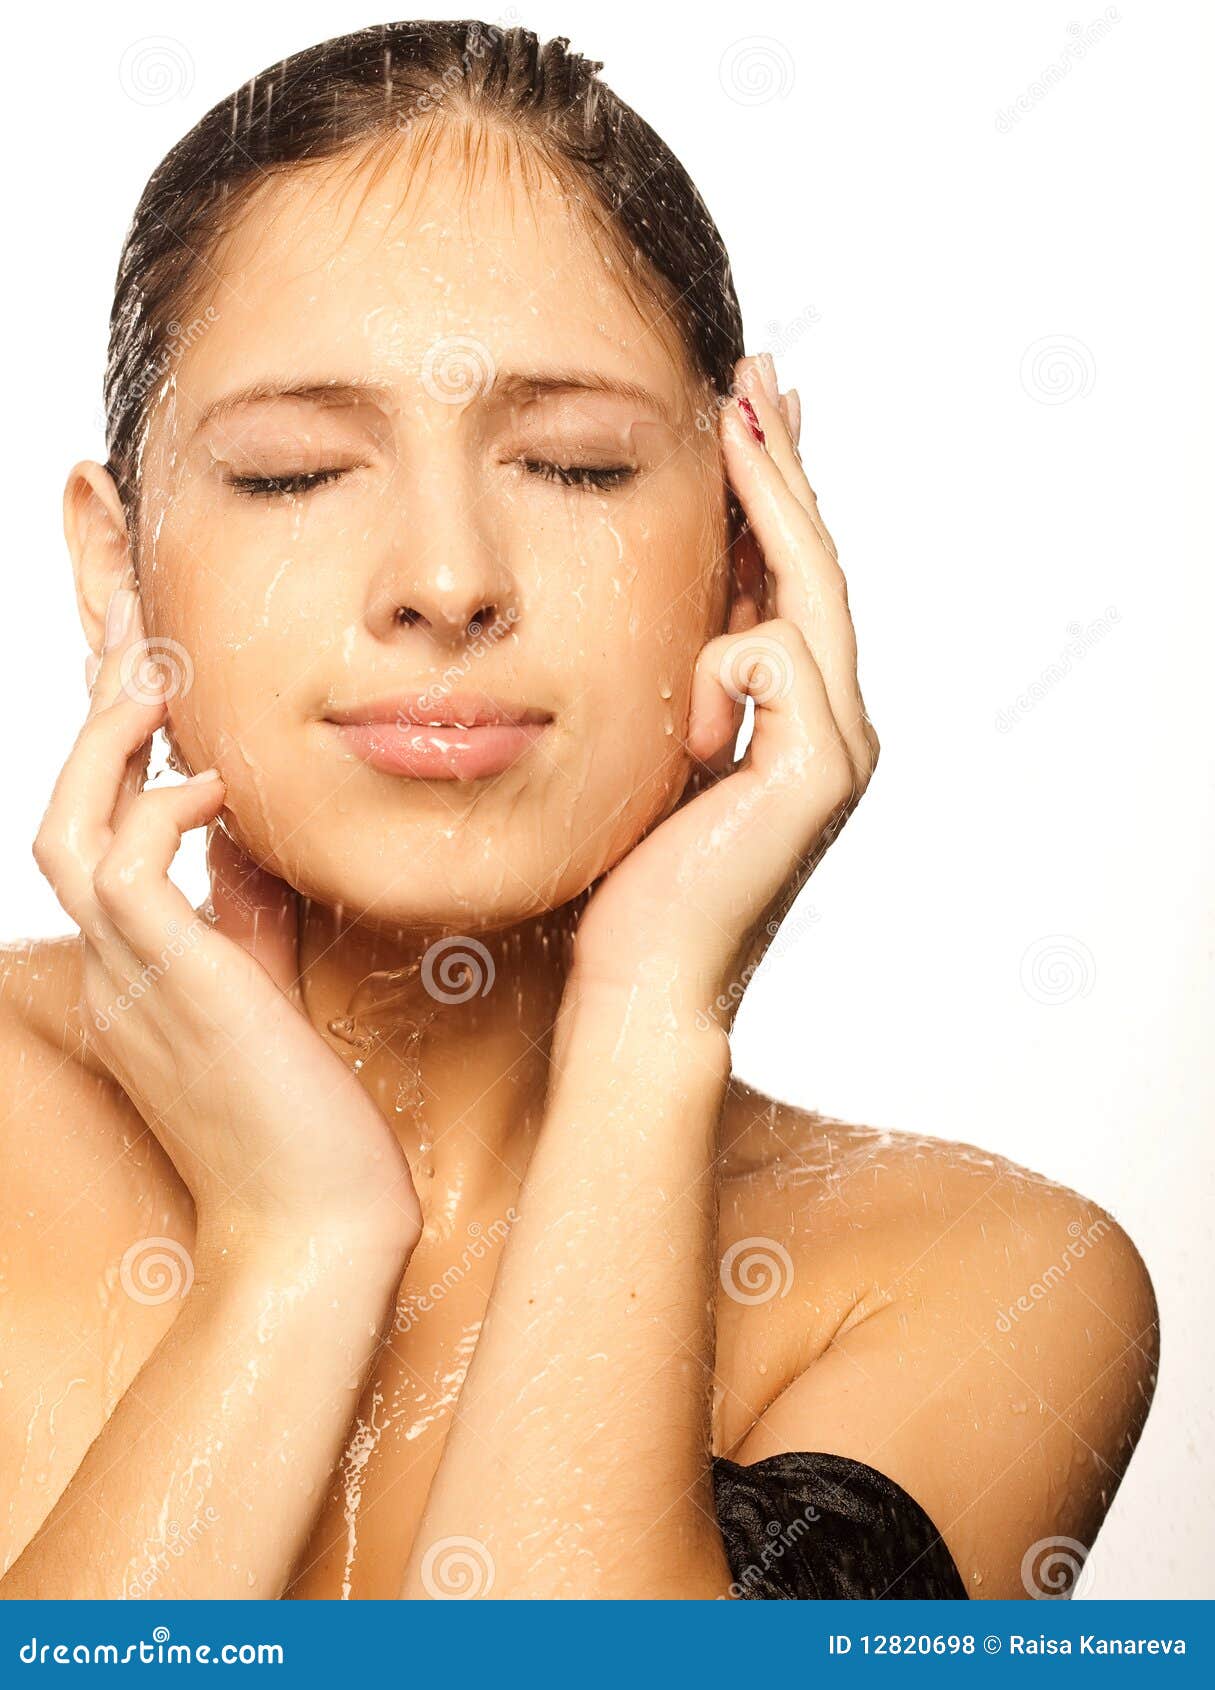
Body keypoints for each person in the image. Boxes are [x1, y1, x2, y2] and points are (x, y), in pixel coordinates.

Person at [0, 21, 1156, 1601]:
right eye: (291, 474)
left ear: (749, 553)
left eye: (575, 464)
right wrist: (294, 1251)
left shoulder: (983, 1282)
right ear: (118, 574)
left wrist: (645, 1020)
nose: (448, 582)